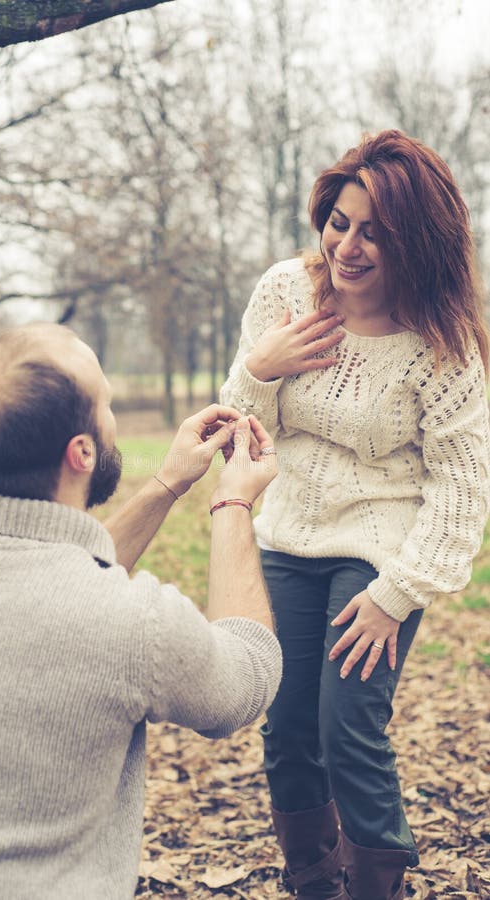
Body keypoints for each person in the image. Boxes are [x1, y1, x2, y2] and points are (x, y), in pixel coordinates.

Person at [0, 321, 283, 900]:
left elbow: (63, 577)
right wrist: (233, 500)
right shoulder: (134, 623)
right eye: (107, 404)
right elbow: (248, 675)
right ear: (82, 452)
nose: (114, 418)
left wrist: (168, 483)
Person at [220, 129, 490, 900]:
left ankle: (379, 888)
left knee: (346, 732)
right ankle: (313, 885)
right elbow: (238, 432)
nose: (349, 245)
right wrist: (256, 370)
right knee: (287, 733)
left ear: (418, 243)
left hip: (380, 555)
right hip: (286, 542)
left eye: (376, 231)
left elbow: (462, 490)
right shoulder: (284, 295)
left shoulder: (441, 346)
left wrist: (394, 594)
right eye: (339, 222)